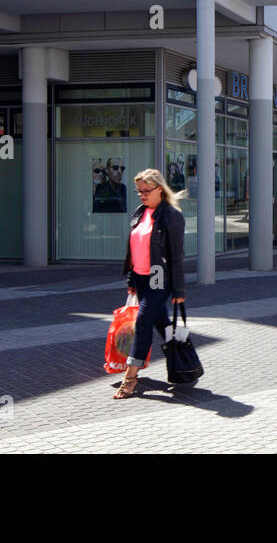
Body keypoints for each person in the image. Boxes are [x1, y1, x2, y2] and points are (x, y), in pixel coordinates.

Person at [115, 168, 187, 400]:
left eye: (147, 191)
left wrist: (179, 290)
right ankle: (184, 362)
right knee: (162, 323)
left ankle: (131, 377)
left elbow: (177, 255)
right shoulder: (140, 212)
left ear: (160, 189)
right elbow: (134, 248)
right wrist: (131, 279)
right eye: (139, 191)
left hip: (158, 276)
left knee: (143, 322)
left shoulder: (171, 215)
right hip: (140, 276)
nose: (143, 195)